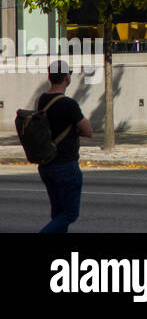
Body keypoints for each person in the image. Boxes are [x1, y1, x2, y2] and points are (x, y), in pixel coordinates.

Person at [35, 61, 94, 233]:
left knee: (58, 214)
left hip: (46, 164)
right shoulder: (68, 104)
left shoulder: (41, 100)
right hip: (65, 165)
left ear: (49, 77)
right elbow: (88, 131)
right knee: (70, 213)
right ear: (67, 78)